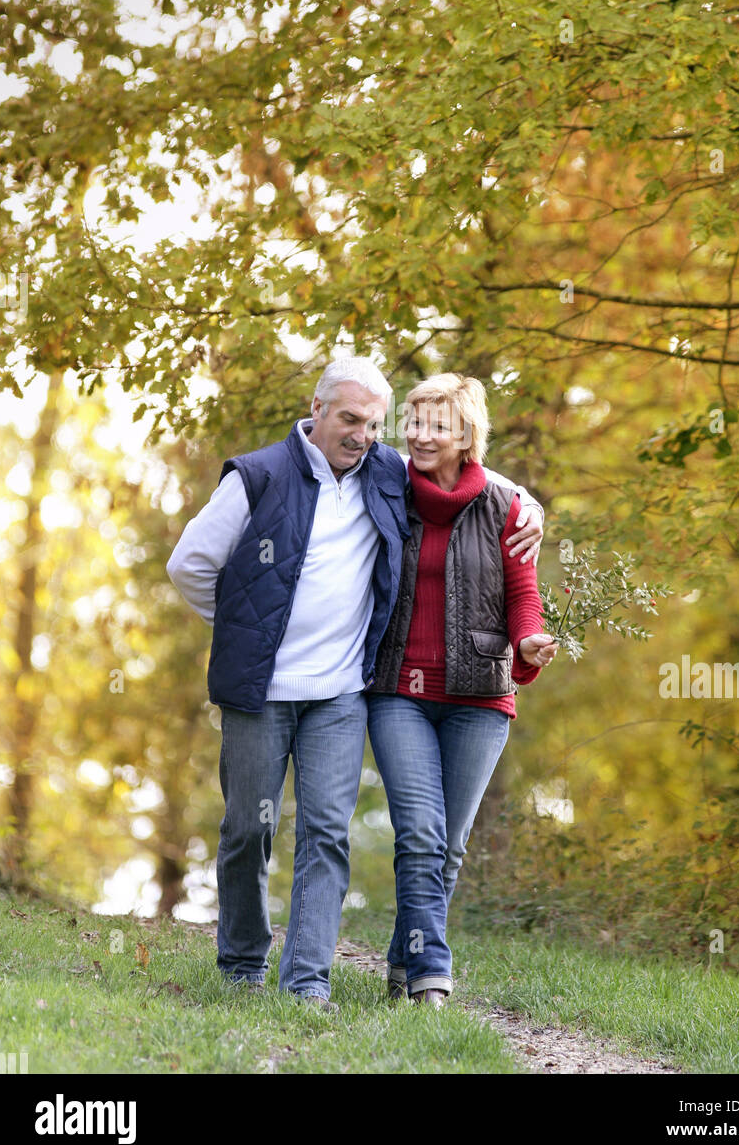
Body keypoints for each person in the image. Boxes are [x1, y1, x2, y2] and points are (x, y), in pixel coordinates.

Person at [165, 356, 544, 1008]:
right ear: (316, 409)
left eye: (373, 424)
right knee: (249, 830)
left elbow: (467, 473)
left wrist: (529, 504)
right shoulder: (259, 475)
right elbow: (189, 564)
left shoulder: (383, 470)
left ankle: (307, 983)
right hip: (261, 690)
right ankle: (243, 966)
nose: (361, 435)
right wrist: (242, 630)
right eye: (349, 419)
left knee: (326, 836)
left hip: (340, 692)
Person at [367, 374, 559, 1006]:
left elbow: (522, 593)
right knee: (420, 834)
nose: (421, 436)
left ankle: (404, 960)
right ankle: (431, 975)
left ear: (467, 435)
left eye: (438, 425)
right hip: (399, 689)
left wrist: (528, 640)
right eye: (414, 422)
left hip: (479, 695)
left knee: (447, 846)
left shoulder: (506, 505)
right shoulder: (386, 487)